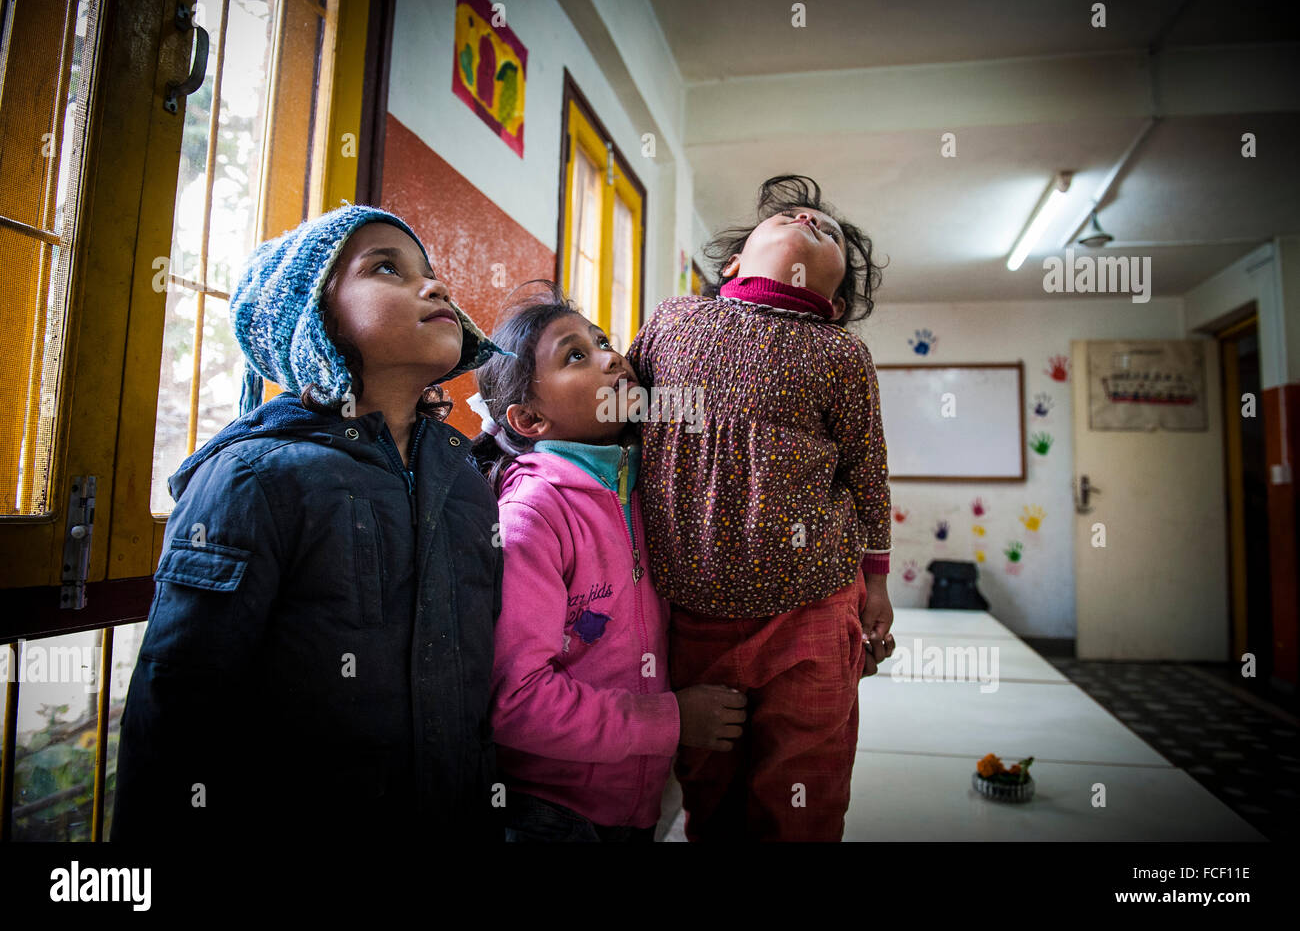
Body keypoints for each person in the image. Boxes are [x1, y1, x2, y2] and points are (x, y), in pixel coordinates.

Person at [112, 204, 511, 842]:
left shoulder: (467, 482)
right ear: (313, 319)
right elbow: (179, 710)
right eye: (387, 269)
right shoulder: (255, 479)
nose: (434, 286)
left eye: (430, 273)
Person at [624, 174, 898, 841]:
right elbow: (624, 418)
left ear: (836, 298)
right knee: (709, 786)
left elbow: (867, 472)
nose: (809, 222)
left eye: (827, 230)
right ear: (735, 262)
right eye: (788, 217)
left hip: (812, 606)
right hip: (693, 612)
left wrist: (880, 582)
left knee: (803, 788)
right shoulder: (674, 318)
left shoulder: (842, 354)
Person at [469, 283, 747, 842]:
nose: (611, 356)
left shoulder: (650, 486)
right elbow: (516, 701)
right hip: (550, 810)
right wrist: (670, 721)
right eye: (576, 355)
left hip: (635, 806)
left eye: (602, 340)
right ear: (529, 420)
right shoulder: (534, 514)